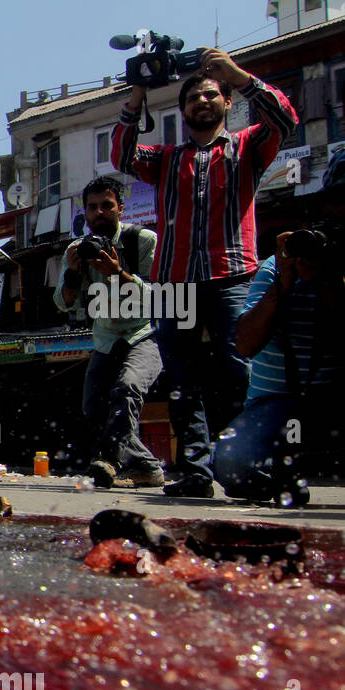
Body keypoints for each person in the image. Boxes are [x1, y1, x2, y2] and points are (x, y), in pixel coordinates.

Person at [112, 49, 298, 498]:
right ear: (183, 110)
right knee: (182, 379)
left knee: (240, 372)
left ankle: (249, 466)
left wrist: (237, 74)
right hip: (173, 282)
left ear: (227, 102)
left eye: (211, 94)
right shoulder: (166, 157)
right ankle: (195, 471)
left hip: (234, 275)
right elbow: (122, 154)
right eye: (193, 96)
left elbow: (285, 120)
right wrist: (138, 91)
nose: (201, 101)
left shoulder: (250, 144)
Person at [214, 149, 345, 507]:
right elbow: (244, 345)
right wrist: (284, 285)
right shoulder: (277, 267)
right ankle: (281, 478)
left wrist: (329, 283)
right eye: (336, 206)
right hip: (280, 402)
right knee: (232, 464)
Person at [54, 175, 164, 489]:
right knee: (93, 407)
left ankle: (112, 460)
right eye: (92, 208)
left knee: (127, 387)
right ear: (84, 213)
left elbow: (161, 296)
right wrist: (74, 273)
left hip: (144, 332)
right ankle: (145, 466)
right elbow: (63, 303)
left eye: (106, 206)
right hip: (104, 336)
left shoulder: (143, 241)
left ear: (121, 209)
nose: (99, 213)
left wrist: (118, 274)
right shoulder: (78, 250)